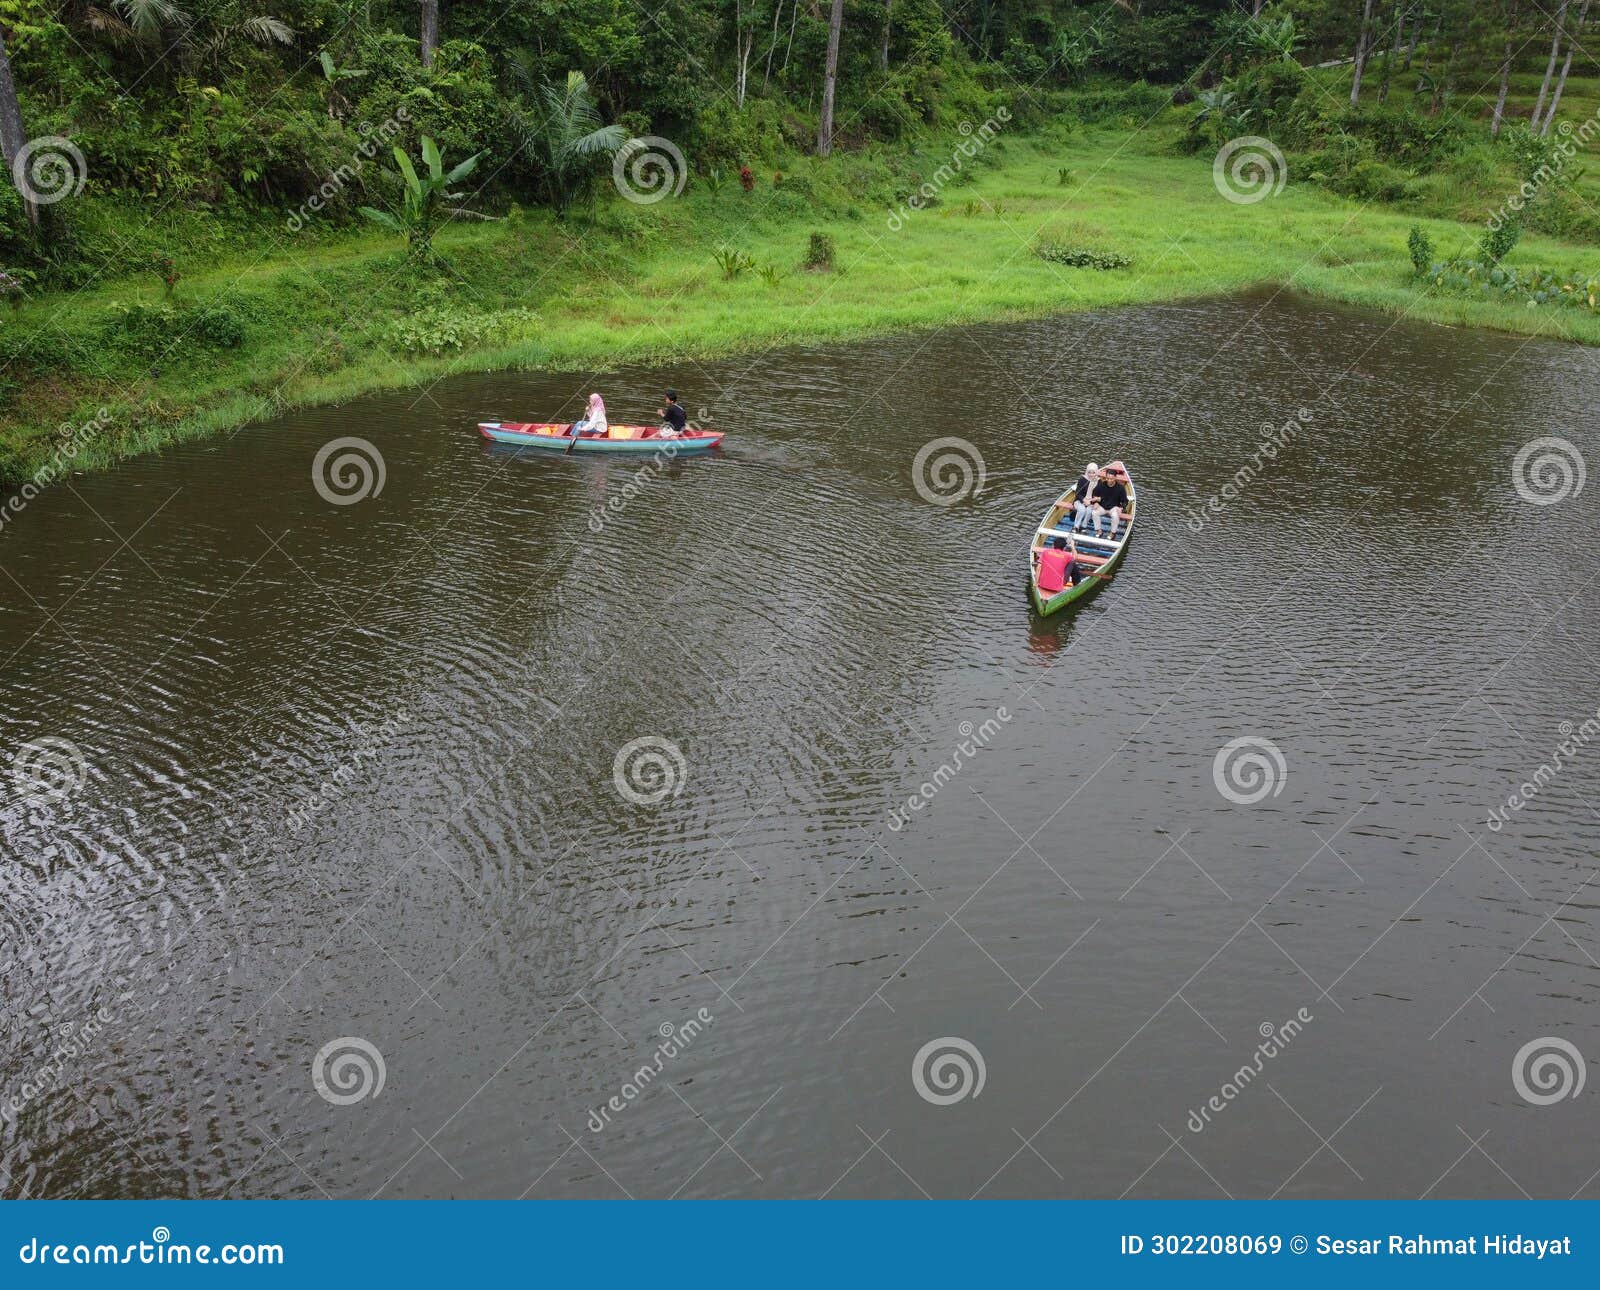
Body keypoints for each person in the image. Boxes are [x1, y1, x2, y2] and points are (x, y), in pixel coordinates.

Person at [1089, 462, 1129, 539]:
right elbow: (1094, 494)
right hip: (1103, 506)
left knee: (1115, 516)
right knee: (1094, 513)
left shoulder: (1120, 488)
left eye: (1111, 478)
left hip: (1113, 507)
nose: (1109, 480)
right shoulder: (1102, 485)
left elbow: (1125, 501)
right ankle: (1099, 531)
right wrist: (1096, 502)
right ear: (1106, 477)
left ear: (1115, 478)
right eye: (1107, 478)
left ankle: (1112, 533)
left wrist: (1121, 507)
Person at [1070, 462, 1100, 532]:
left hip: (1091, 502)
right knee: (1082, 510)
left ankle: (1084, 526)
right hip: (1079, 501)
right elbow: (1077, 493)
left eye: (1093, 472)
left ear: (1096, 472)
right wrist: (1084, 500)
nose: (1091, 474)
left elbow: (1099, 494)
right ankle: (1076, 526)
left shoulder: (1099, 481)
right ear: (1087, 471)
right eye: (1089, 472)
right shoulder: (1082, 479)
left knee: (1089, 511)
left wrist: (1095, 502)